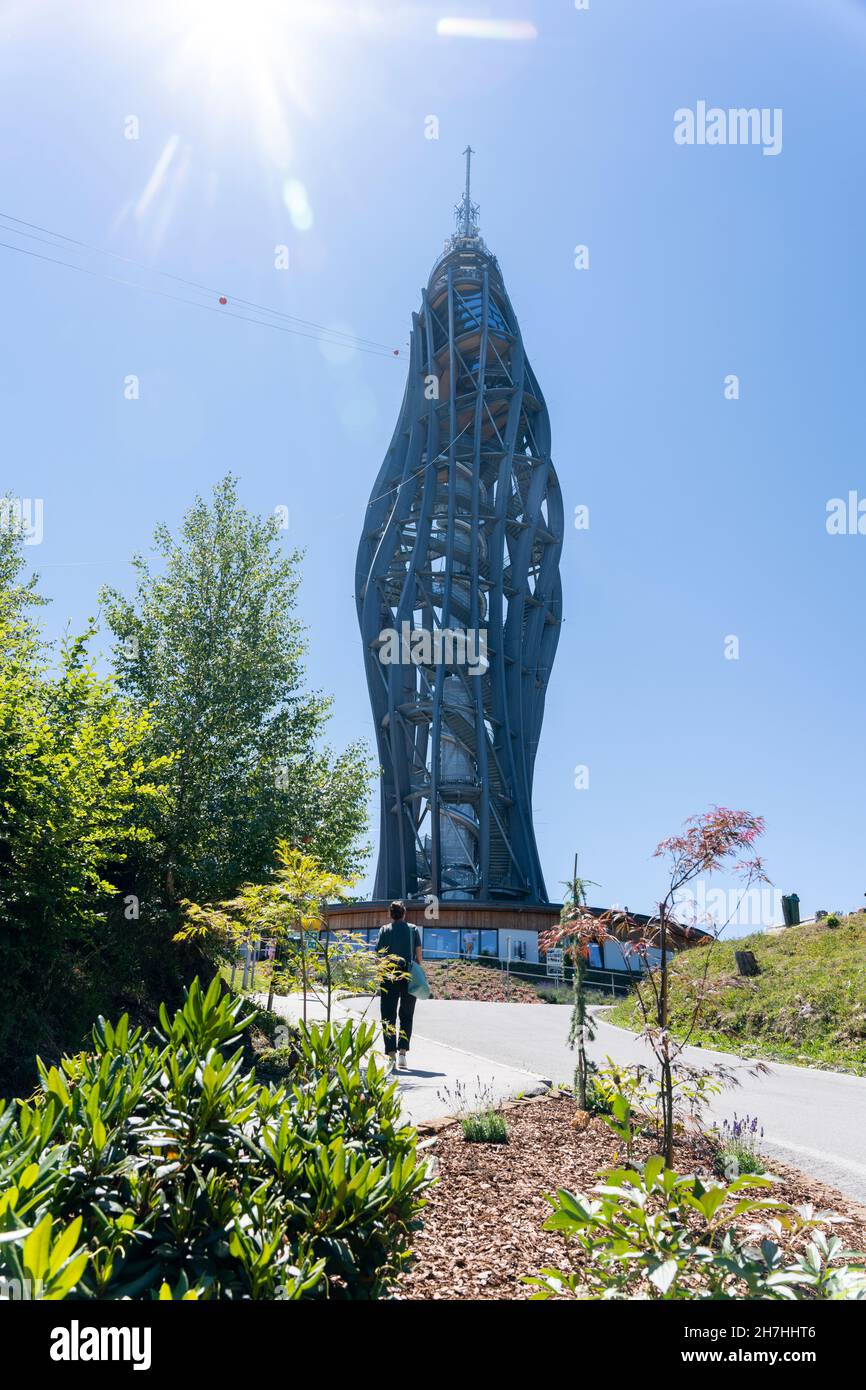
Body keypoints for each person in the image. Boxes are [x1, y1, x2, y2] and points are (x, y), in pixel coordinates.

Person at [376, 900, 423, 1071]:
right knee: (407, 1014)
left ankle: (391, 1057)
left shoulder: (384, 930)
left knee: (388, 1016)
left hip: (388, 976)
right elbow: (419, 957)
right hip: (408, 975)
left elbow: (378, 957)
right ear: (404, 913)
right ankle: (403, 1053)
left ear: (390, 914)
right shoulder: (413, 929)